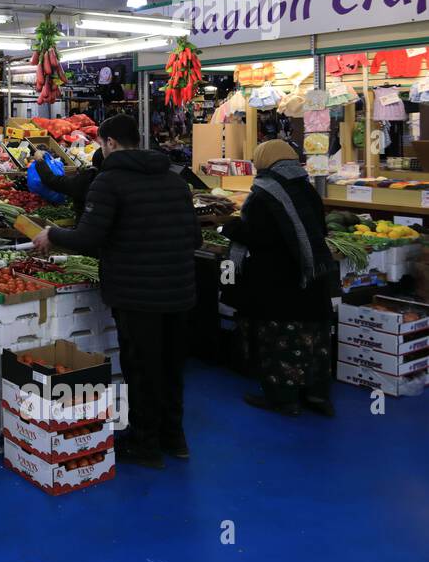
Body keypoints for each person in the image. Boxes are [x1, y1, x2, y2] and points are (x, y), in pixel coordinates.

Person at [33, 114, 200, 468]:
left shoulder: (108, 182)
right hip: (179, 289)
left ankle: (146, 444)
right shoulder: (174, 180)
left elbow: (88, 236)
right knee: (171, 367)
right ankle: (175, 437)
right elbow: (195, 238)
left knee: (141, 367)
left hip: (137, 293)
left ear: (108, 142)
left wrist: (52, 235)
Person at [220, 140, 336, 418]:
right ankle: (316, 394)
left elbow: (258, 236)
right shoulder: (306, 188)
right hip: (310, 277)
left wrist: (230, 226)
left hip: (277, 281)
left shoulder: (266, 193)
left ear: (265, 159)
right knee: (312, 338)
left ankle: (283, 399)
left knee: (279, 338)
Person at [33, 147, 103, 221]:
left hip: (87, 226)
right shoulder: (113, 179)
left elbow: (52, 180)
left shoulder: (88, 180)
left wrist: (39, 160)